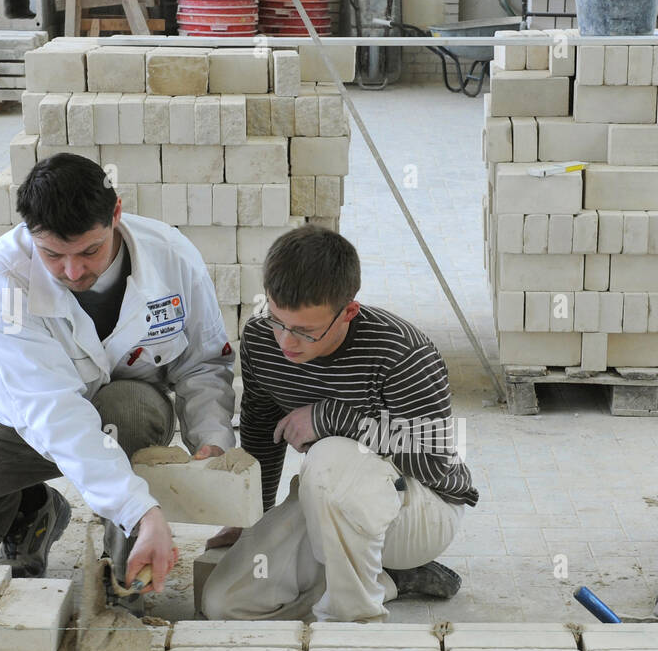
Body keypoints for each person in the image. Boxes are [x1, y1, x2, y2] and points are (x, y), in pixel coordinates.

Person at [0, 153, 235, 589]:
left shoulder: (170, 256)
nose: (73, 271)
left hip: (125, 416)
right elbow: (52, 411)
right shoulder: (1, 274)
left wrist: (212, 443)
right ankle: (25, 509)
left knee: (127, 410)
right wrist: (142, 509)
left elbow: (204, 362)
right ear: (27, 232)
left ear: (116, 213)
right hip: (22, 418)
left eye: (90, 251)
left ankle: (122, 577)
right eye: (53, 255)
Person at [200, 225, 477, 623]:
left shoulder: (403, 353)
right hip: (330, 500)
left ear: (348, 311)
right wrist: (250, 520)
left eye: (305, 331)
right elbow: (262, 432)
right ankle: (390, 580)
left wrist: (328, 418)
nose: (286, 343)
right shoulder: (262, 339)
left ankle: (355, 623)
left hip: (421, 510)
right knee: (225, 603)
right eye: (279, 321)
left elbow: (434, 461)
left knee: (330, 456)